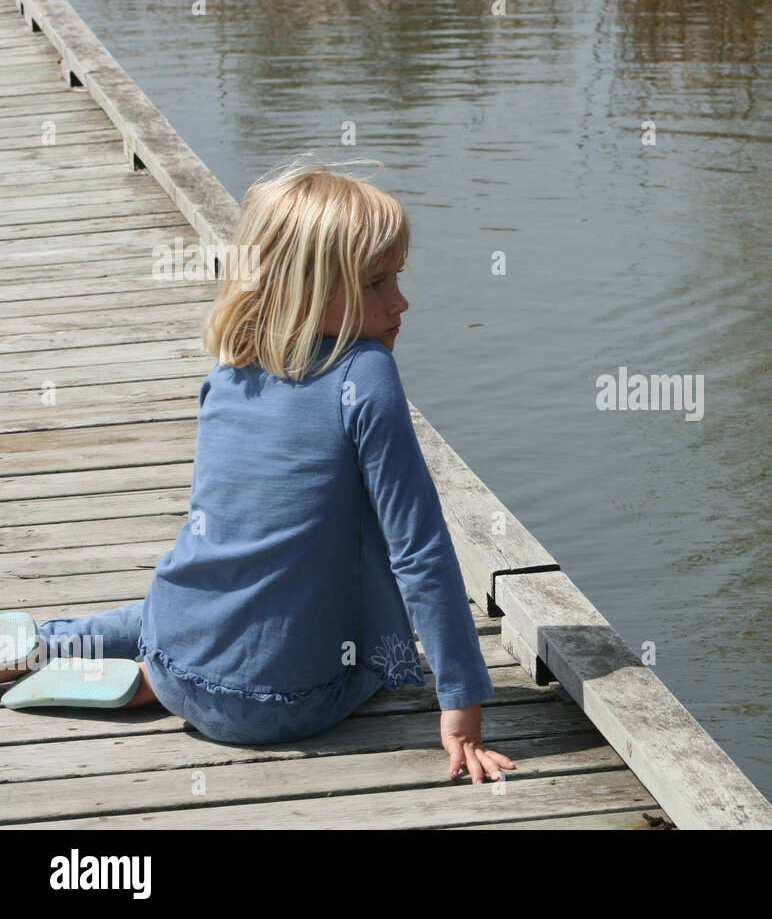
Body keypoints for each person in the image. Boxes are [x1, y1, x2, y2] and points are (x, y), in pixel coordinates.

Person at [3, 163, 514, 786]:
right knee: (383, 632)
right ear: (303, 287)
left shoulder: (229, 368)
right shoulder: (367, 374)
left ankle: (74, 652)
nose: (400, 301)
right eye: (376, 283)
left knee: (208, 586)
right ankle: (155, 674)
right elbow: (421, 552)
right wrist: (462, 708)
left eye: (397, 278)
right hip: (292, 706)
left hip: (177, 668)